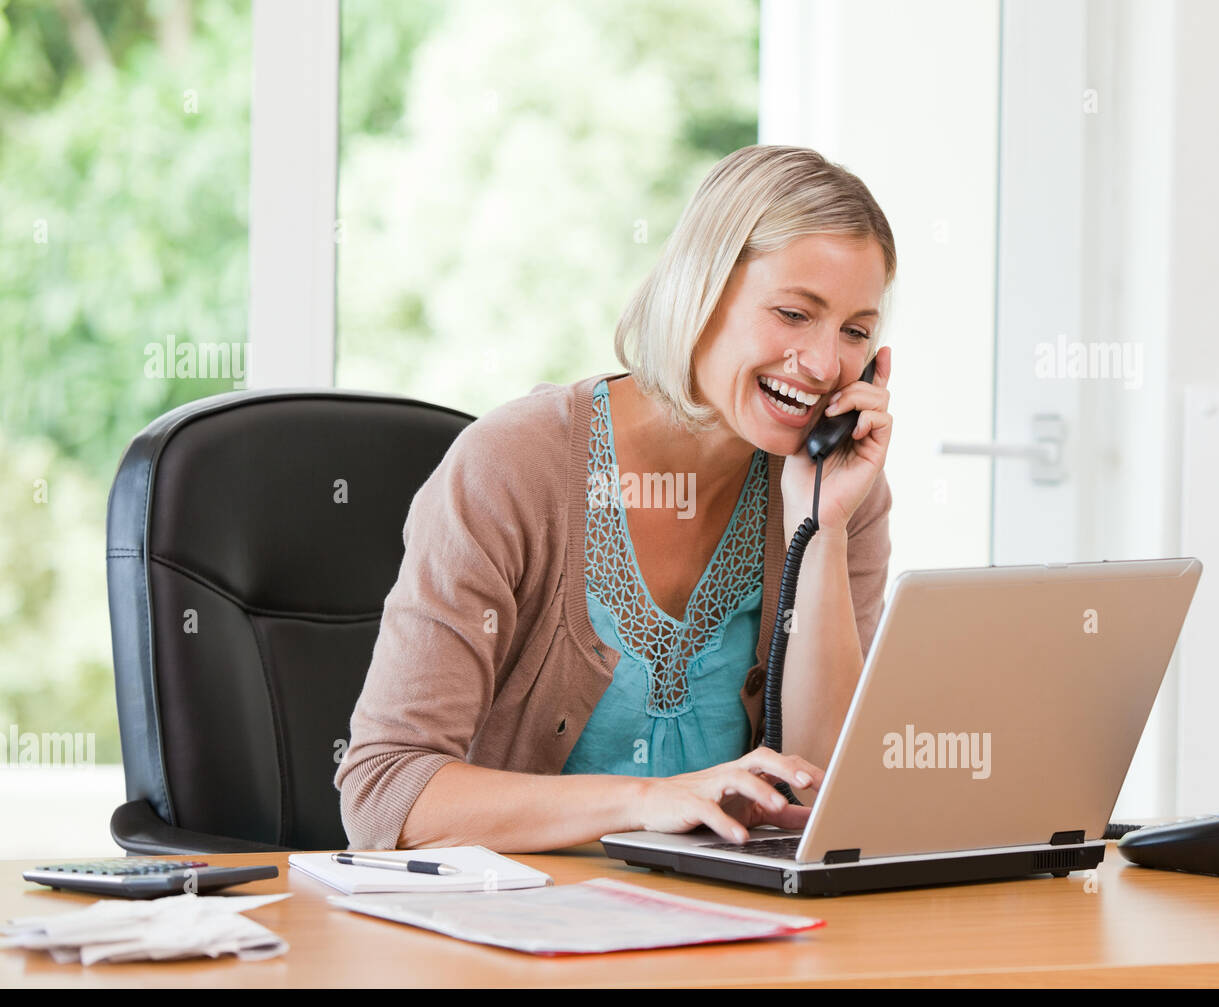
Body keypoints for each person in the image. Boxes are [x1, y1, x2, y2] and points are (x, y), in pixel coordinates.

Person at [334, 144, 896, 852]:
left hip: (726, 939)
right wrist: (647, 801)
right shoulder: (514, 465)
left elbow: (823, 797)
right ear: (701, 289)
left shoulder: (839, 494)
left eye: (855, 332)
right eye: (792, 313)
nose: (821, 364)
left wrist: (822, 532)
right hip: (512, 936)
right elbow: (386, 791)